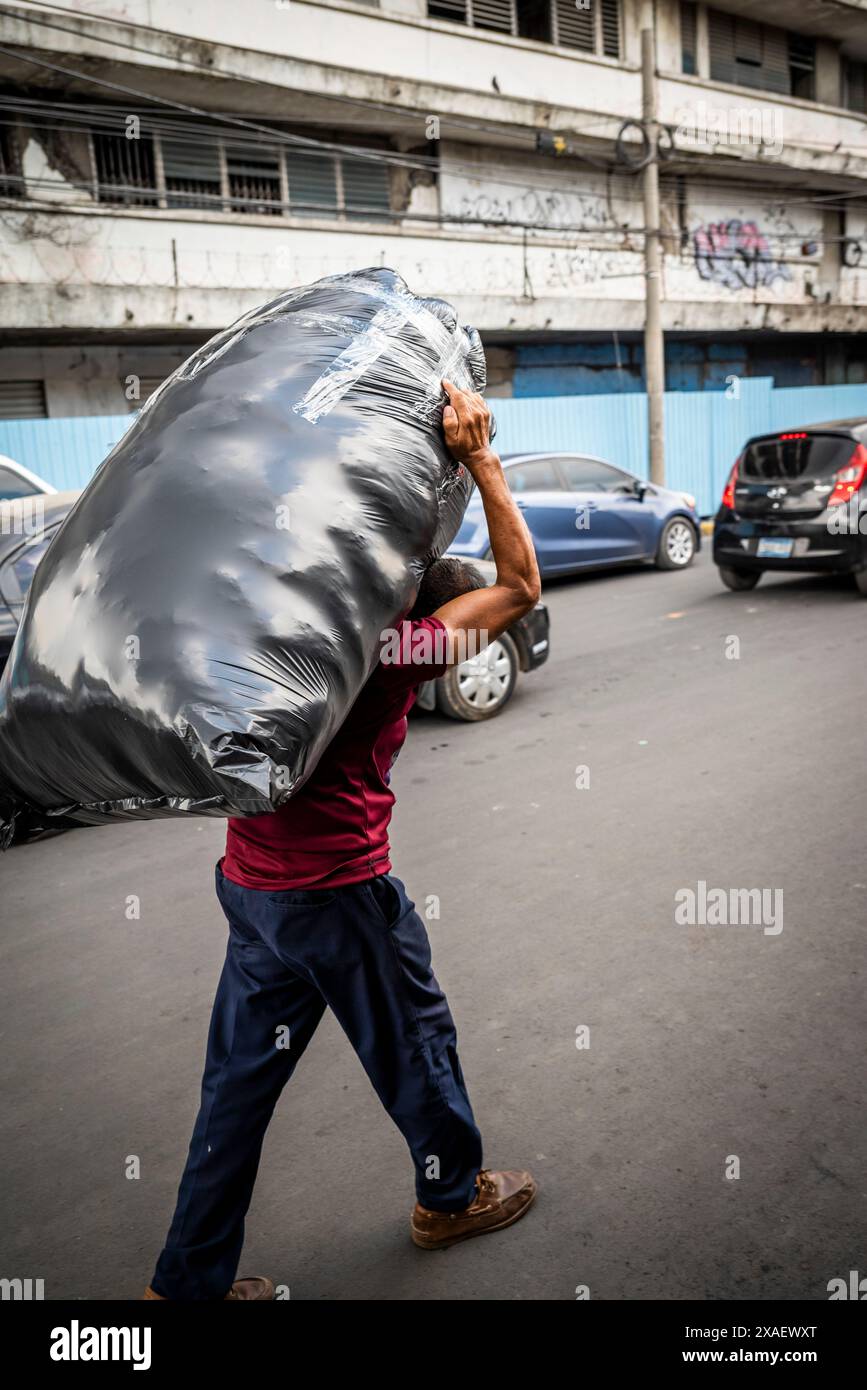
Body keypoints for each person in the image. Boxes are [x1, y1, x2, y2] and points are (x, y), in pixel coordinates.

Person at [144, 381, 542, 1300]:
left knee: (234, 1096)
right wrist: (478, 453)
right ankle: (449, 1198)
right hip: (335, 891)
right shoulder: (396, 656)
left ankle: (184, 1286)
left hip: (249, 886)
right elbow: (519, 588)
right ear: (436, 624)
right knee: (418, 1042)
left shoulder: (289, 623)